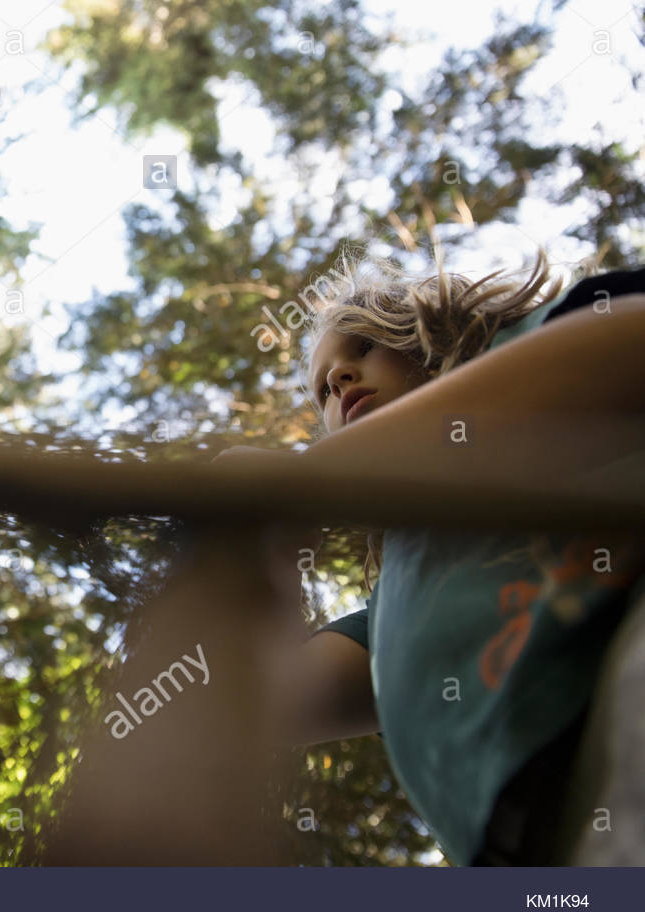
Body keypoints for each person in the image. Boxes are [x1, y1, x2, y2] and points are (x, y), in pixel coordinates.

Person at [249, 250, 645, 865]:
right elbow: (266, 702)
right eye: (324, 387)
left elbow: (630, 339)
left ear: (430, 330)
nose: (340, 382)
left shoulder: (526, 345)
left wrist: (304, 482)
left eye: (361, 348)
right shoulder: (392, 610)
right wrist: (245, 558)